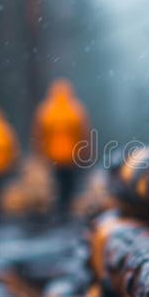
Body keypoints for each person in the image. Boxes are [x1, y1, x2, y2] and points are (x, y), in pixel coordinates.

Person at [33, 79, 90, 220]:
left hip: (53, 156)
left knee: (57, 184)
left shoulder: (46, 110)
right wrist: (84, 152)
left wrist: (41, 152)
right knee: (69, 184)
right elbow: (84, 134)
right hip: (71, 156)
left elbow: (39, 134)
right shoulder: (76, 109)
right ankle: (67, 211)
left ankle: (59, 211)